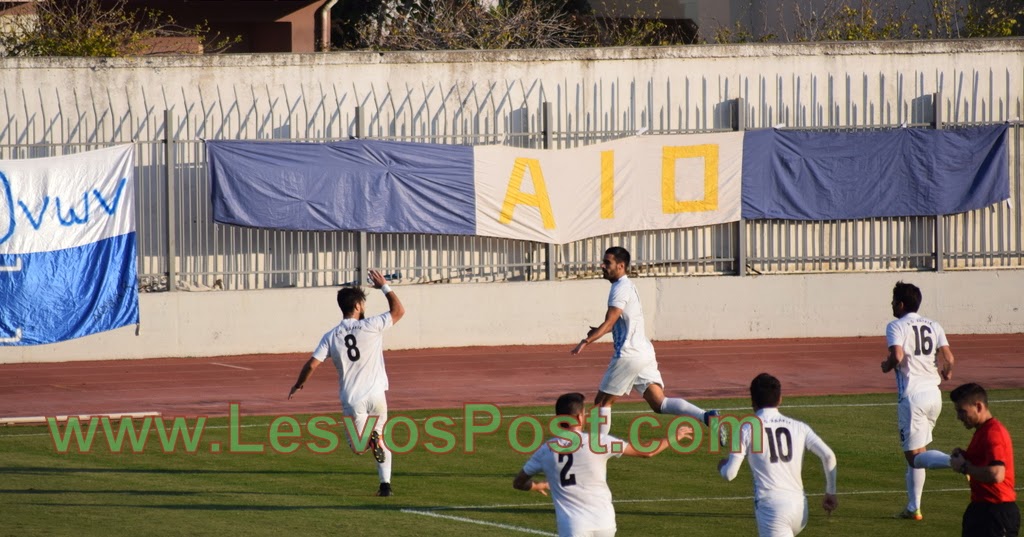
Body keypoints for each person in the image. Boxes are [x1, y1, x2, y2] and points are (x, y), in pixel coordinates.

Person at [570, 246, 722, 443]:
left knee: (602, 403)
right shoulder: (627, 286)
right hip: (644, 352)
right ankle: (706, 416)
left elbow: (610, 320)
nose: (602, 266)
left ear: (621, 266)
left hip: (629, 354)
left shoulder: (619, 289)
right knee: (659, 403)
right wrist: (599, 330)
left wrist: (586, 341)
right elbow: (616, 323)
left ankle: (597, 451)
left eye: (607, 263)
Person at [288, 269, 405, 497]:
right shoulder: (373, 325)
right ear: (359, 306)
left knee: (358, 448)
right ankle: (385, 486)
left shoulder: (331, 336)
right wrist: (384, 287)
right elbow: (399, 311)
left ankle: (383, 478)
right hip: (377, 396)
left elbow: (312, 364)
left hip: (353, 400)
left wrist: (299, 384)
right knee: (378, 439)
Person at [513, 392, 693, 537]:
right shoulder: (599, 442)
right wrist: (673, 438)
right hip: (605, 523)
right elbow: (648, 451)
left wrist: (537, 486)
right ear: (580, 417)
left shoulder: (546, 450)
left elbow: (519, 482)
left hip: (574, 526)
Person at [719, 373, 838, 537]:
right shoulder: (799, 426)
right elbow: (828, 456)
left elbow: (730, 474)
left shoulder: (746, 428)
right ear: (780, 398)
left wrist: (722, 466)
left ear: (752, 402)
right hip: (800, 508)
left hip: (772, 509)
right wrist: (830, 492)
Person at [880, 281, 956, 520]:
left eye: (893, 301)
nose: (891, 305)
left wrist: (887, 365)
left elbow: (898, 355)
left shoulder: (896, 325)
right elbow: (949, 358)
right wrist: (947, 372)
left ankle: (959, 462)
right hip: (934, 394)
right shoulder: (934, 324)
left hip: (912, 397)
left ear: (900, 304)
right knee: (918, 455)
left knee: (914, 456)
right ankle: (914, 507)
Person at [949, 383, 1019, 537]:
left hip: (995, 513)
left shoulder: (993, 433)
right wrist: (965, 456)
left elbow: (996, 474)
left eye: (962, 411)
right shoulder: (983, 431)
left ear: (978, 406)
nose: (959, 417)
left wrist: (964, 467)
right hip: (982, 509)